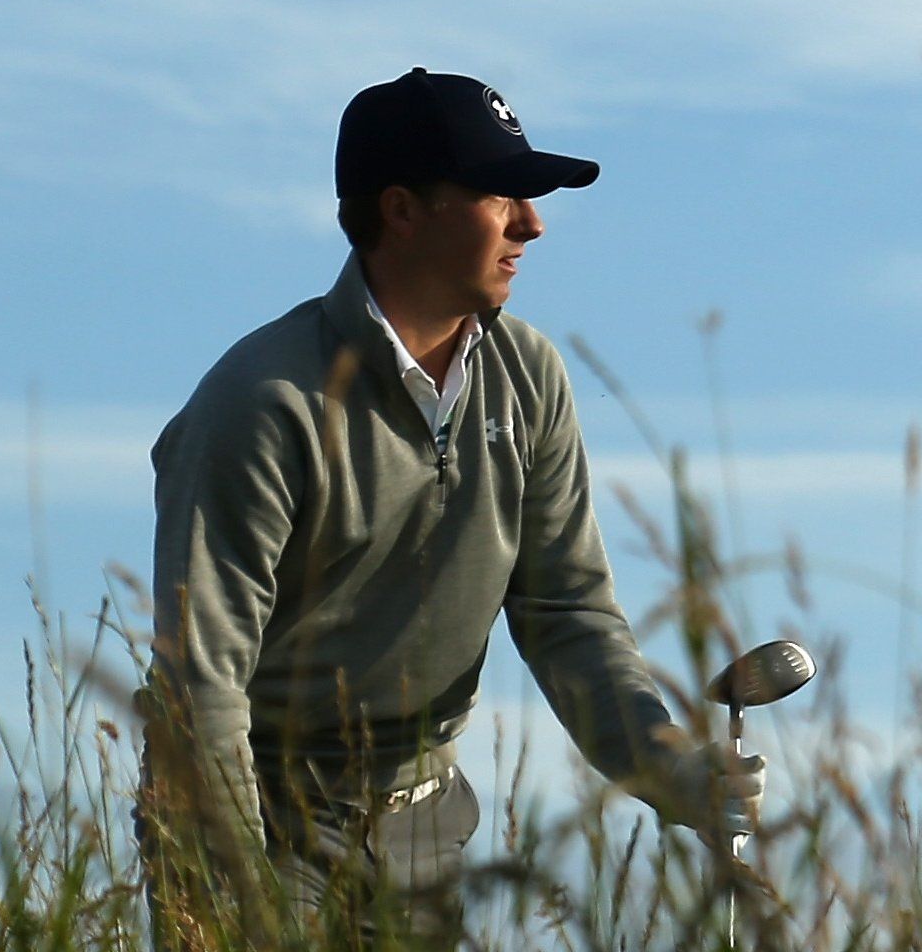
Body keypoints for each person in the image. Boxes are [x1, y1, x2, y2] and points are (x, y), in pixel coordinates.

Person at [138, 68, 765, 947]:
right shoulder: (263, 401)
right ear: (401, 210)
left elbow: (567, 613)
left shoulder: (531, 376)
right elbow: (199, 686)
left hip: (424, 837)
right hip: (262, 834)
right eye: (501, 195)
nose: (531, 224)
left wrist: (671, 770)